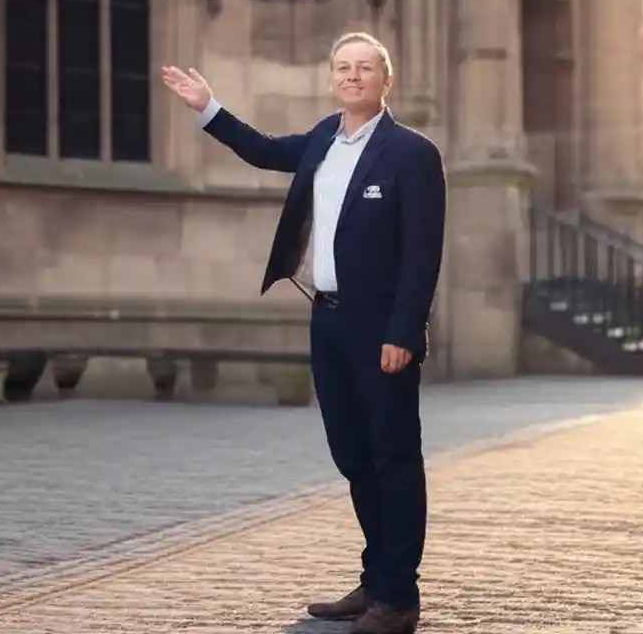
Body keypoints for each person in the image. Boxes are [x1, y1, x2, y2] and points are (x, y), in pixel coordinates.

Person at [161, 32, 446, 634]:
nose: (352, 76)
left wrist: (405, 331)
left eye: (365, 68)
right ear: (332, 78)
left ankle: (398, 600)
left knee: (393, 457)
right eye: (343, 67)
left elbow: (422, 257)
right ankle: (375, 581)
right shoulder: (322, 137)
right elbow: (264, 151)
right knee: (353, 454)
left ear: (385, 82)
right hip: (329, 319)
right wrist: (208, 108)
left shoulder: (412, 154)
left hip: (382, 330)